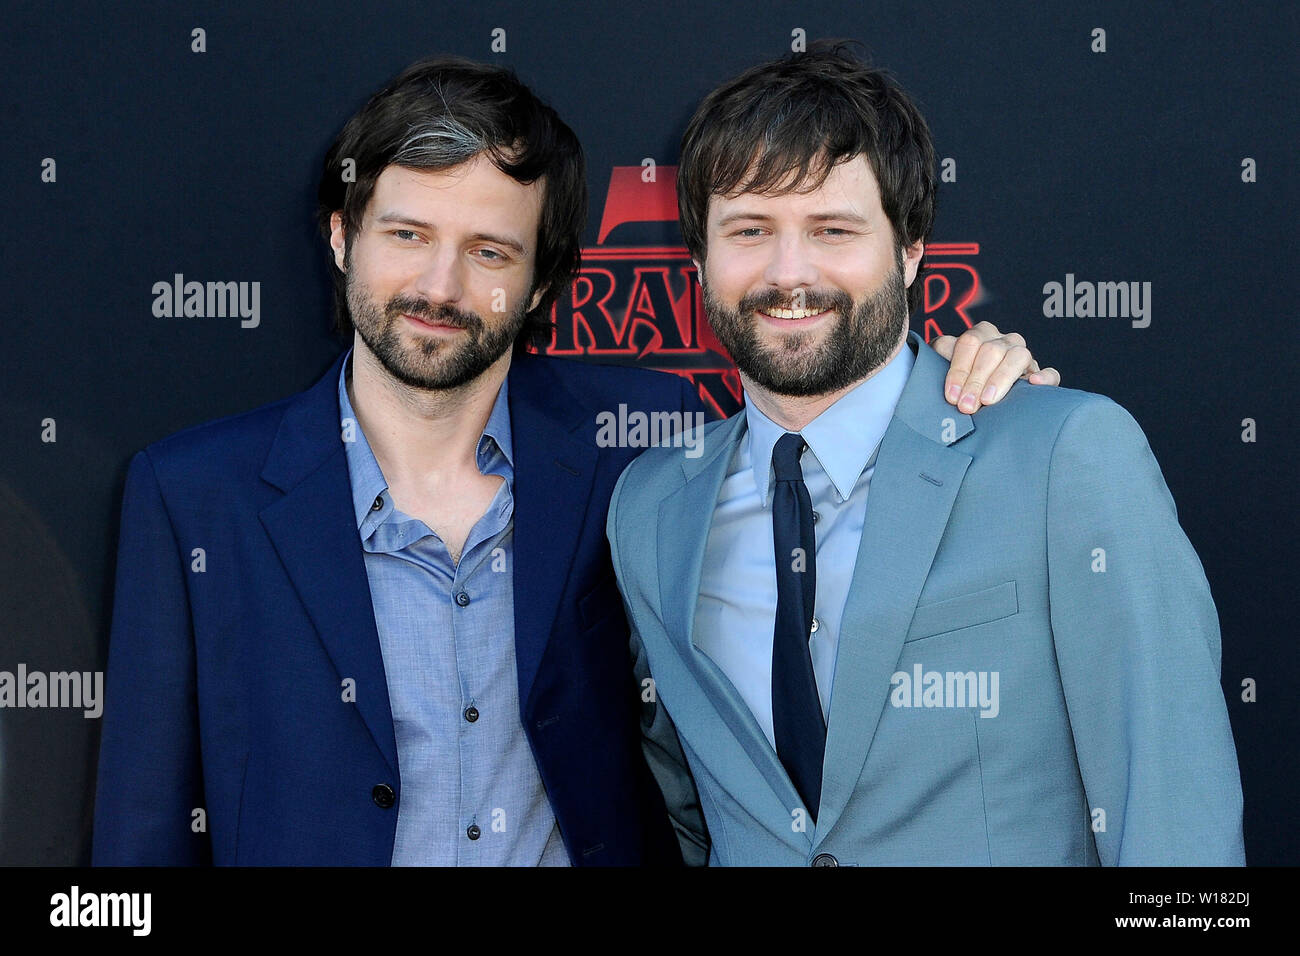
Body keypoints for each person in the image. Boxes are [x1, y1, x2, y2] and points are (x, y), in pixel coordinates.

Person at [93, 55, 1051, 866]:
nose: (439, 285)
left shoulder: (646, 440)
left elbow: (832, 463)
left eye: (490, 252)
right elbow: (138, 843)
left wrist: (971, 386)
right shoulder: (193, 496)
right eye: (407, 235)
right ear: (342, 237)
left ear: (544, 278)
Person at [607, 42, 1245, 866]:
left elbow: (1173, 821)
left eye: (832, 229)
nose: (788, 272)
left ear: (910, 249)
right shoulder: (650, 508)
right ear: (699, 259)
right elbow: (691, 821)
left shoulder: (1062, 456)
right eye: (750, 230)